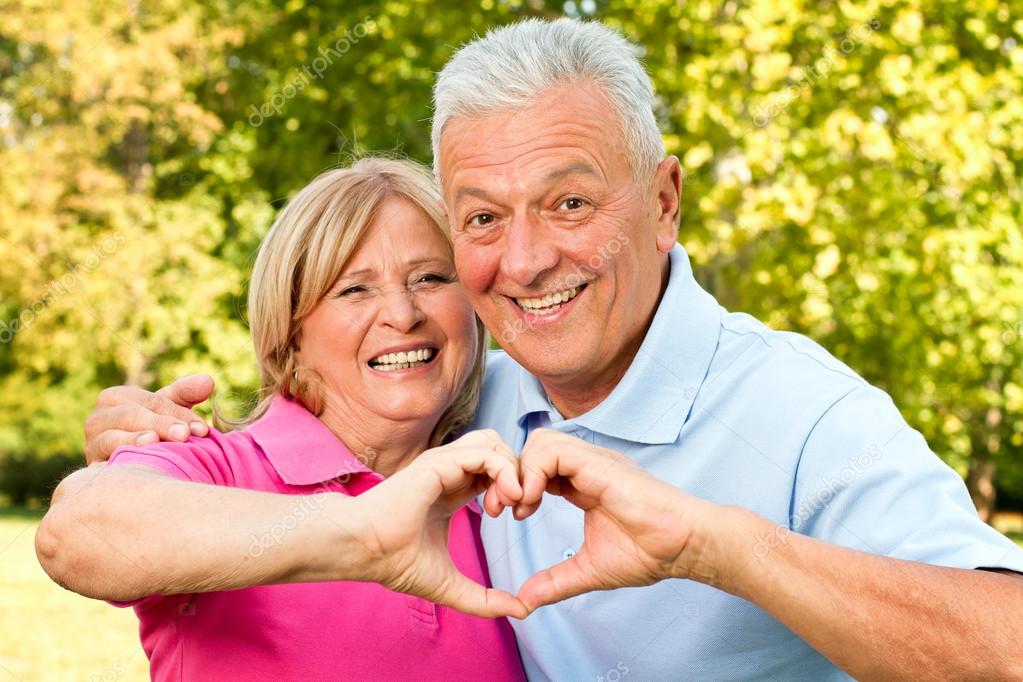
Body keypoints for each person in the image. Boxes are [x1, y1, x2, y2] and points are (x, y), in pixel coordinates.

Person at [78, 18, 1023, 681]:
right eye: (483, 218)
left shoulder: (805, 412)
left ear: (662, 202)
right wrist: (136, 440)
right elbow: (111, 524)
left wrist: (716, 547)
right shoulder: (465, 403)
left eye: (570, 203)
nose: (526, 261)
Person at [35, 157, 527, 680]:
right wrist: (364, 535)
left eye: (431, 277)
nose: (403, 315)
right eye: (354, 289)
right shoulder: (217, 465)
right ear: (290, 333)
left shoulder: (497, 485)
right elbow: (75, 534)